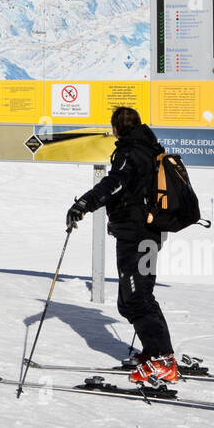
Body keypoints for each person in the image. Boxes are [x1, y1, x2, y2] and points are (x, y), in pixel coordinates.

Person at [65, 106, 176, 384]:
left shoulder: (131, 152)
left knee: (138, 297)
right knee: (131, 300)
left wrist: (84, 204)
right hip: (140, 233)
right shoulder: (147, 148)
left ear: (117, 128)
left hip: (139, 235)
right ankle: (154, 352)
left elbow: (115, 184)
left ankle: (163, 359)